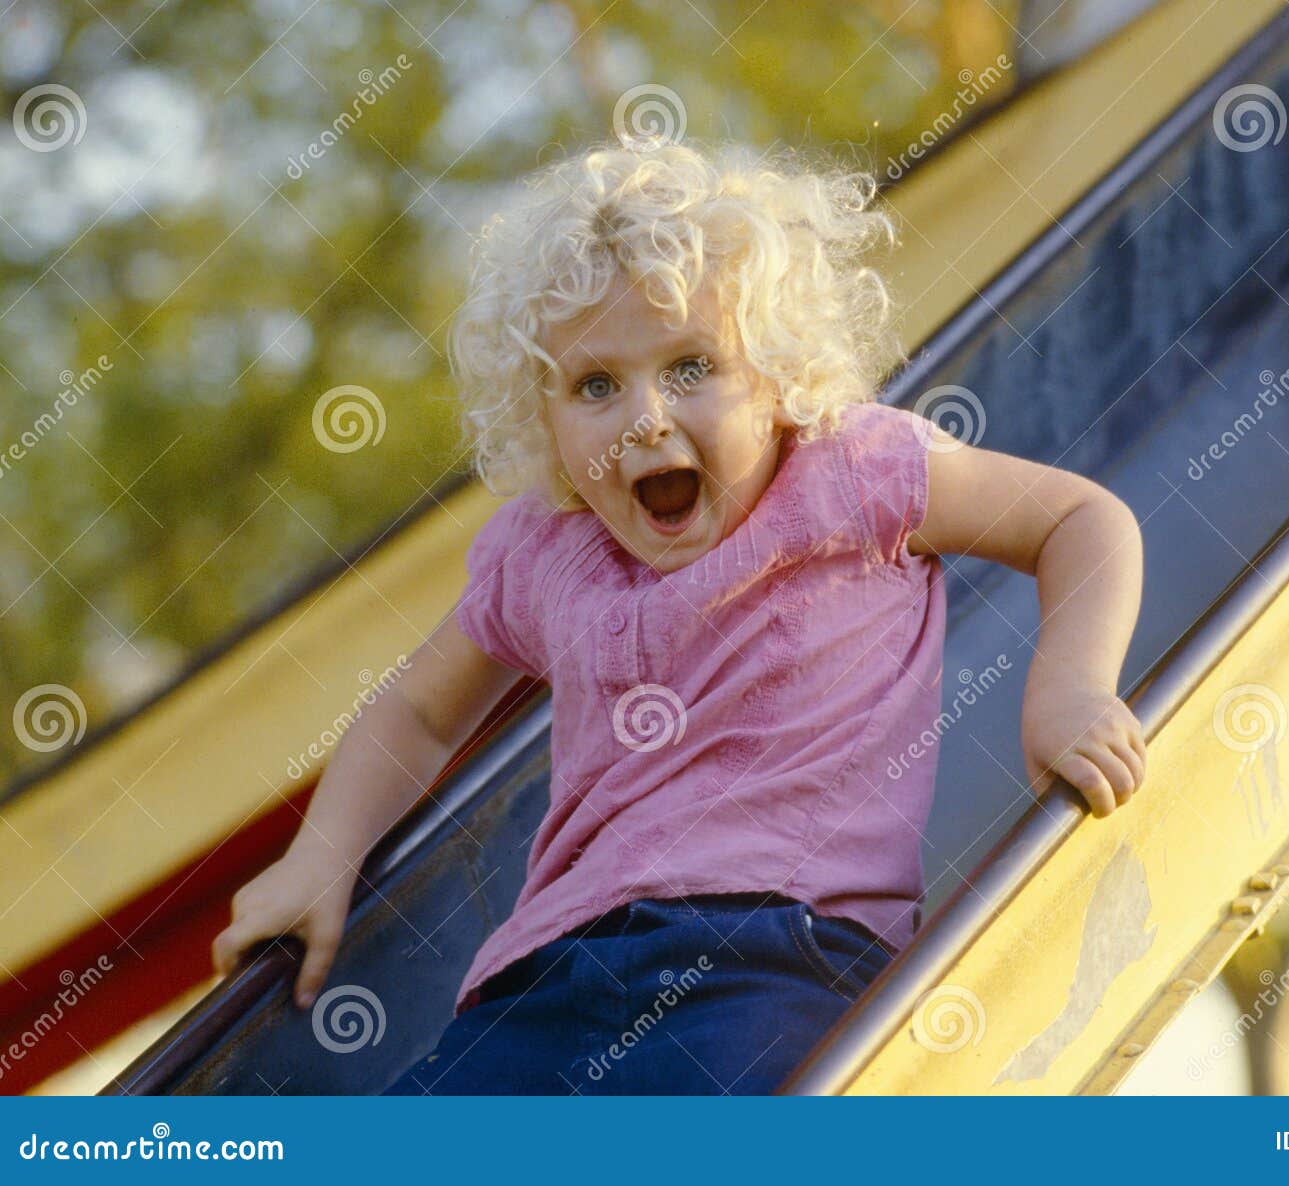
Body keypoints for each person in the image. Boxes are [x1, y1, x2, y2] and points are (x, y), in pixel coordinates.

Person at [211, 136, 1147, 1095]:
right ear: (544, 416)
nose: (645, 418)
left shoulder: (855, 473)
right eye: (596, 385)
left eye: (692, 365)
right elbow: (418, 710)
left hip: (778, 955)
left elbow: (1078, 519)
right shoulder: (543, 552)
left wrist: (1070, 689)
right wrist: (319, 859)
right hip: (542, 979)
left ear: (779, 376)